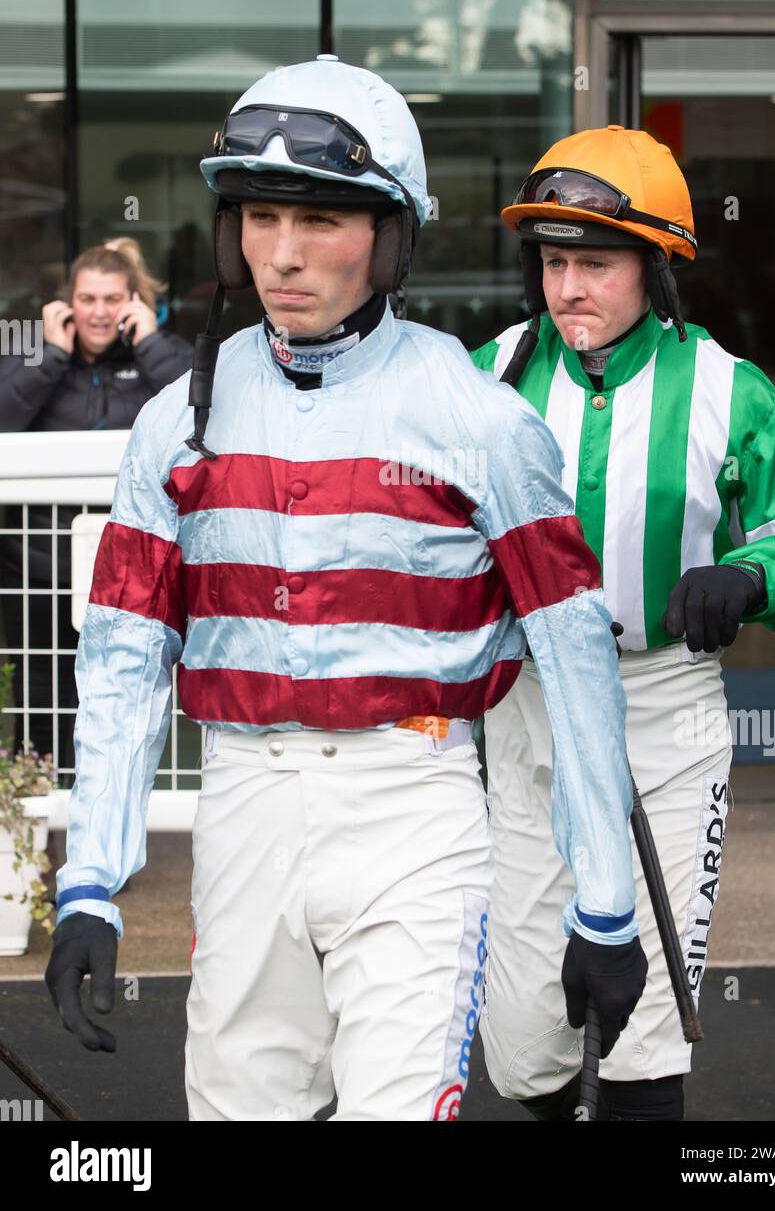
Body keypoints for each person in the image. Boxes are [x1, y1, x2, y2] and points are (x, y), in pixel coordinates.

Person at [44, 58, 647, 1122]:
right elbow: (125, 655)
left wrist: (603, 904)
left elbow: (573, 657)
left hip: (411, 798)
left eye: (321, 220)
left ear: (391, 234)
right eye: (261, 215)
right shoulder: (172, 421)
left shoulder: (482, 421)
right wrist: (90, 878)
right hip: (242, 803)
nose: (282, 254)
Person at [471, 125, 775, 1122]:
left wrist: (748, 574)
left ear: (656, 267)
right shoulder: (487, 377)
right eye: (553, 262)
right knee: (521, 1037)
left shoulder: (730, 391)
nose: (568, 289)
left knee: (644, 1014)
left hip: (662, 708)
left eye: (594, 264)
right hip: (525, 711)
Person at [0, 239, 192, 768]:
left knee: (123, 690)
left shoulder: (156, 353)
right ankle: (45, 807)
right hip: (41, 565)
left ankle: (110, 809)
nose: (100, 312)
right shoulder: (35, 356)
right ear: (67, 305)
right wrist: (53, 355)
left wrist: (150, 343)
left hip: (130, 562)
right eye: (88, 299)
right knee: (43, 691)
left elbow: (203, 407)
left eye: (112, 299)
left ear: (132, 302)